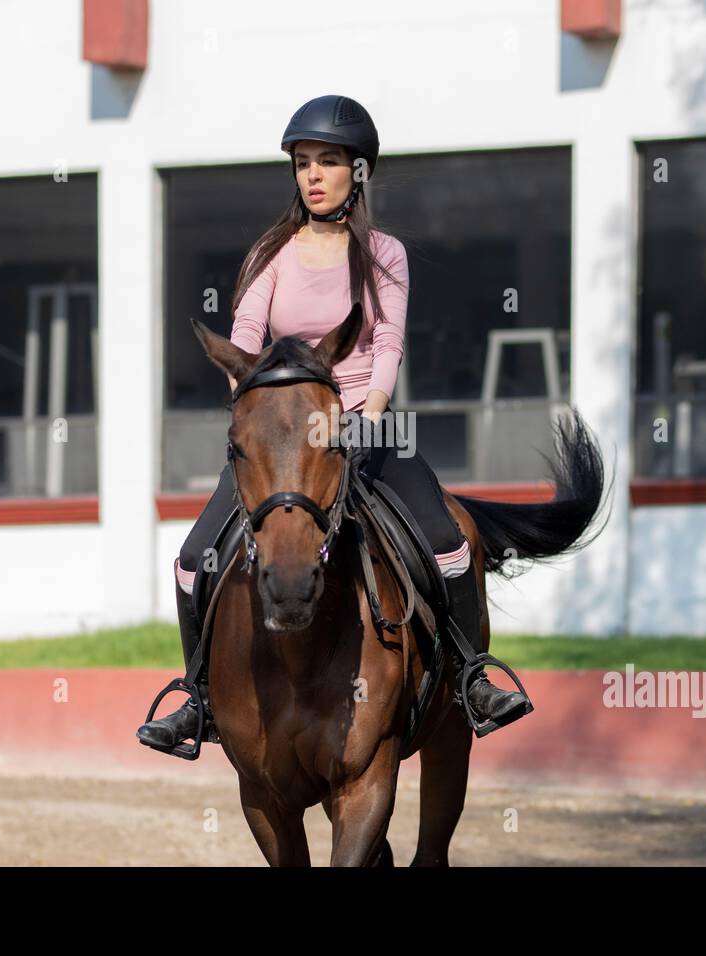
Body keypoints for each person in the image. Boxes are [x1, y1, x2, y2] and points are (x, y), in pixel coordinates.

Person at [137, 94, 529, 754]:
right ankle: (199, 699)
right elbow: (245, 337)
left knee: (448, 543)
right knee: (189, 560)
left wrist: (367, 417)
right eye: (301, 163)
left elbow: (387, 341)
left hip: (360, 428)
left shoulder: (384, 254)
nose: (312, 175)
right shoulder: (272, 252)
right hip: (285, 435)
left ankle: (470, 679)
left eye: (327, 161)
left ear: (359, 172)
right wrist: (255, 406)